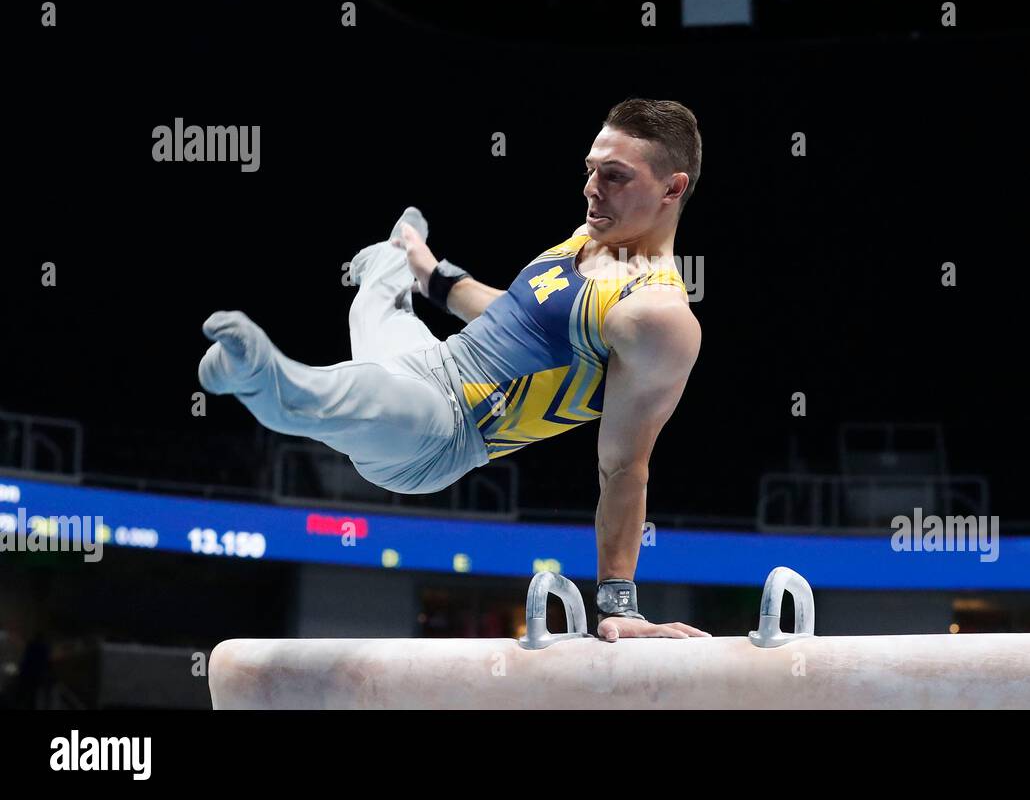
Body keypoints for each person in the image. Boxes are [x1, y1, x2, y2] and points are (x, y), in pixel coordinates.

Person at [199, 98, 706, 641]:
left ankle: (264, 380)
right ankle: (392, 262)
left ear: (672, 189)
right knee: (375, 303)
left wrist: (618, 605)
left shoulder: (654, 315)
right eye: (590, 170)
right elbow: (511, 314)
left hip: (445, 431)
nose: (590, 188)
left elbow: (624, 467)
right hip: (427, 361)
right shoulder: (589, 241)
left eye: (614, 176)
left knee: (358, 391)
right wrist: (434, 275)